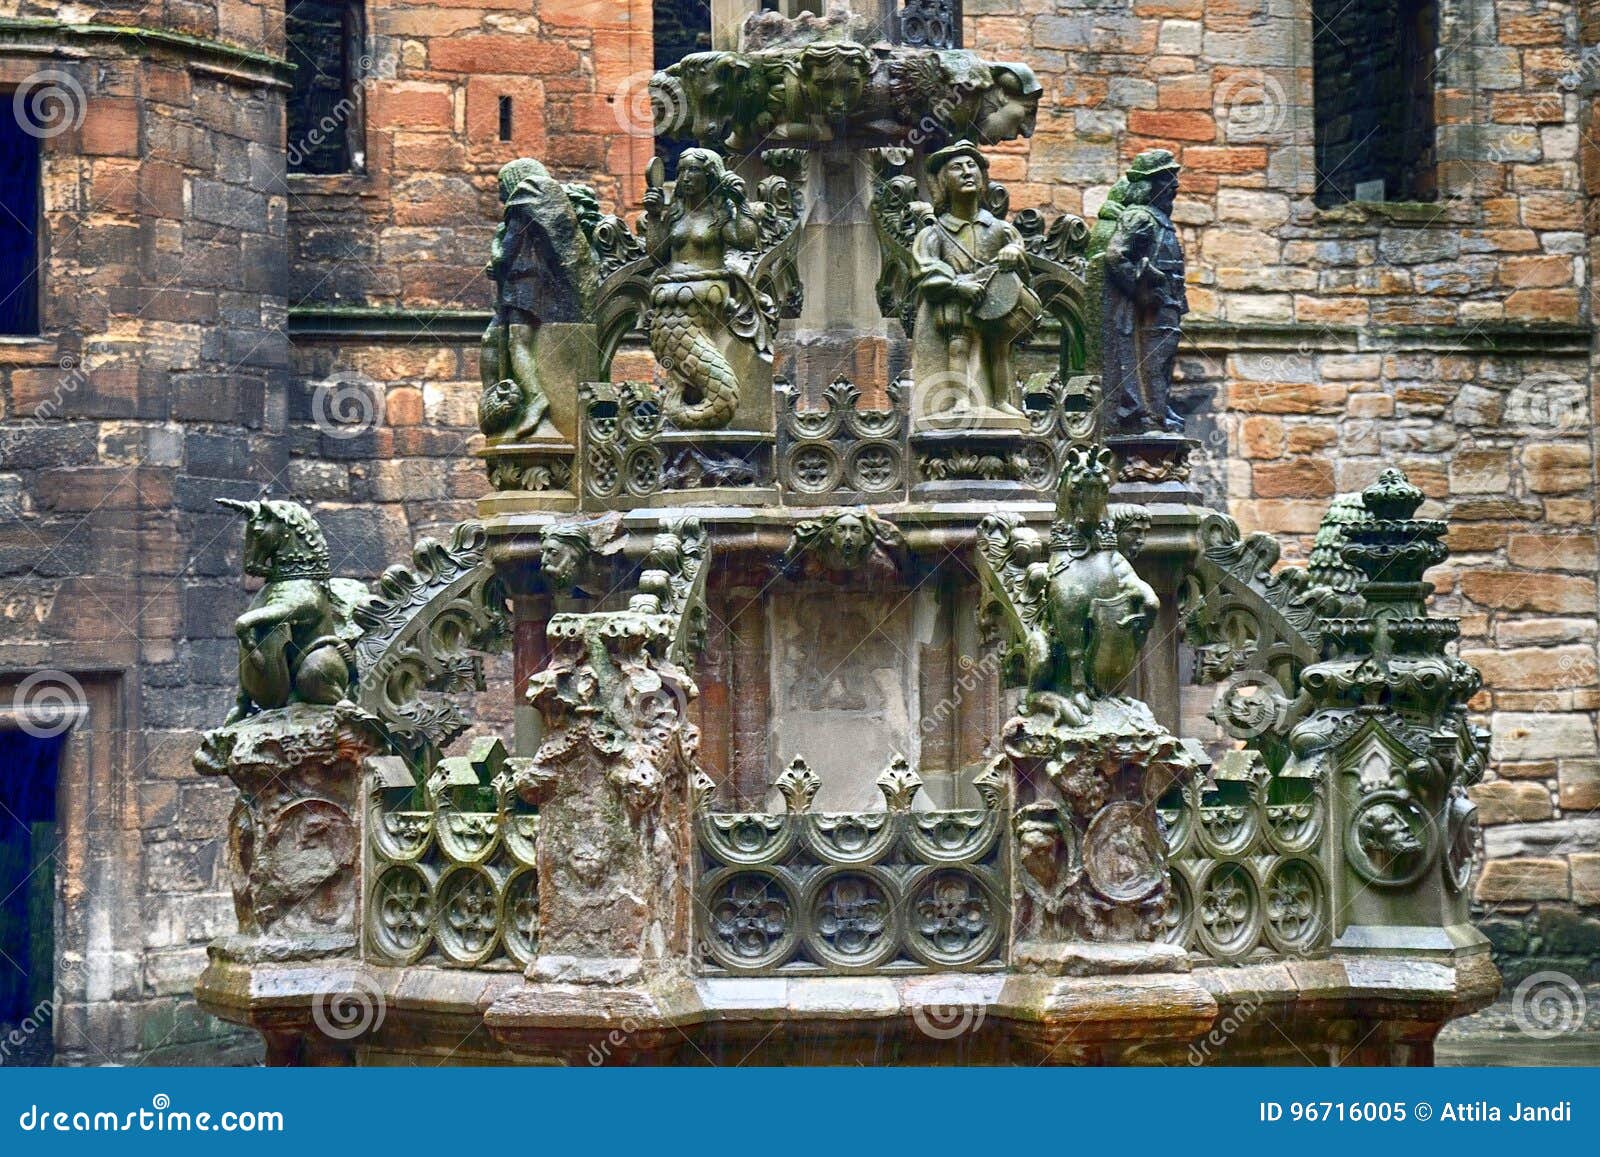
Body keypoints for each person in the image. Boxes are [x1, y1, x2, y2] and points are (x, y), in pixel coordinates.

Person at [909, 141, 1041, 426]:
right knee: (958, 346)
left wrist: (1014, 253)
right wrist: (957, 285)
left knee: (1000, 348)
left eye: (972, 167)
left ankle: (1001, 400)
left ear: (983, 180)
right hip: (957, 298)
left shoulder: (999, 228)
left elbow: (1019, 252)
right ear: (943, 181)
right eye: (957, 168)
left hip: (994, 300)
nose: (967, 173)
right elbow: (925, 268)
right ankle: (960, 400)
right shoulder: (937, 231)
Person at [1102, 149, 1187, 435]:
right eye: (1166, 179)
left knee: (1163, 360)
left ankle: (1159, 411)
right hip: (1152, 302)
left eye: (1173, 178)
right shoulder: (1141, 217)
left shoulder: (1159, 218)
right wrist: (1140, 287)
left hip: (1170, 301)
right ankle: (1149, 418)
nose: (1174, 185)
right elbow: (1115, 256)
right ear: (1149, 185)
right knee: (1152, 360)